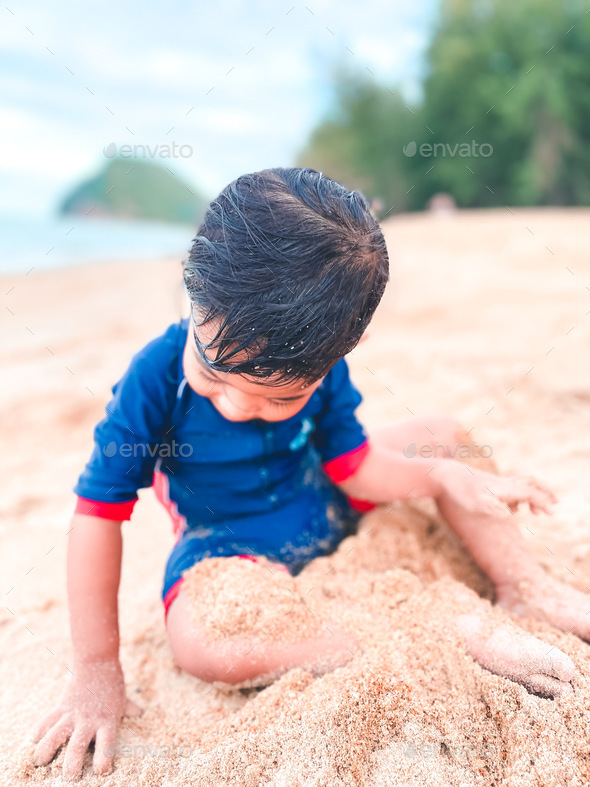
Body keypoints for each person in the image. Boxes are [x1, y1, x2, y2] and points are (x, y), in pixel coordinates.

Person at [33, 167, 586, 781]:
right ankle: (424, 630)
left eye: (279, 397)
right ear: (194, 291)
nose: (236, 406)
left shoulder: (323, 360)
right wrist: (96, 668)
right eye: (212, 373)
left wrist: (442, 477)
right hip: (230, 546)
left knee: (446, 440)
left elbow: (358, 468)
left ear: (347, 347)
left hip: (325, 495)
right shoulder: (154, 377)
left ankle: (523, 583)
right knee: (201, 643)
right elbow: (98, 512)